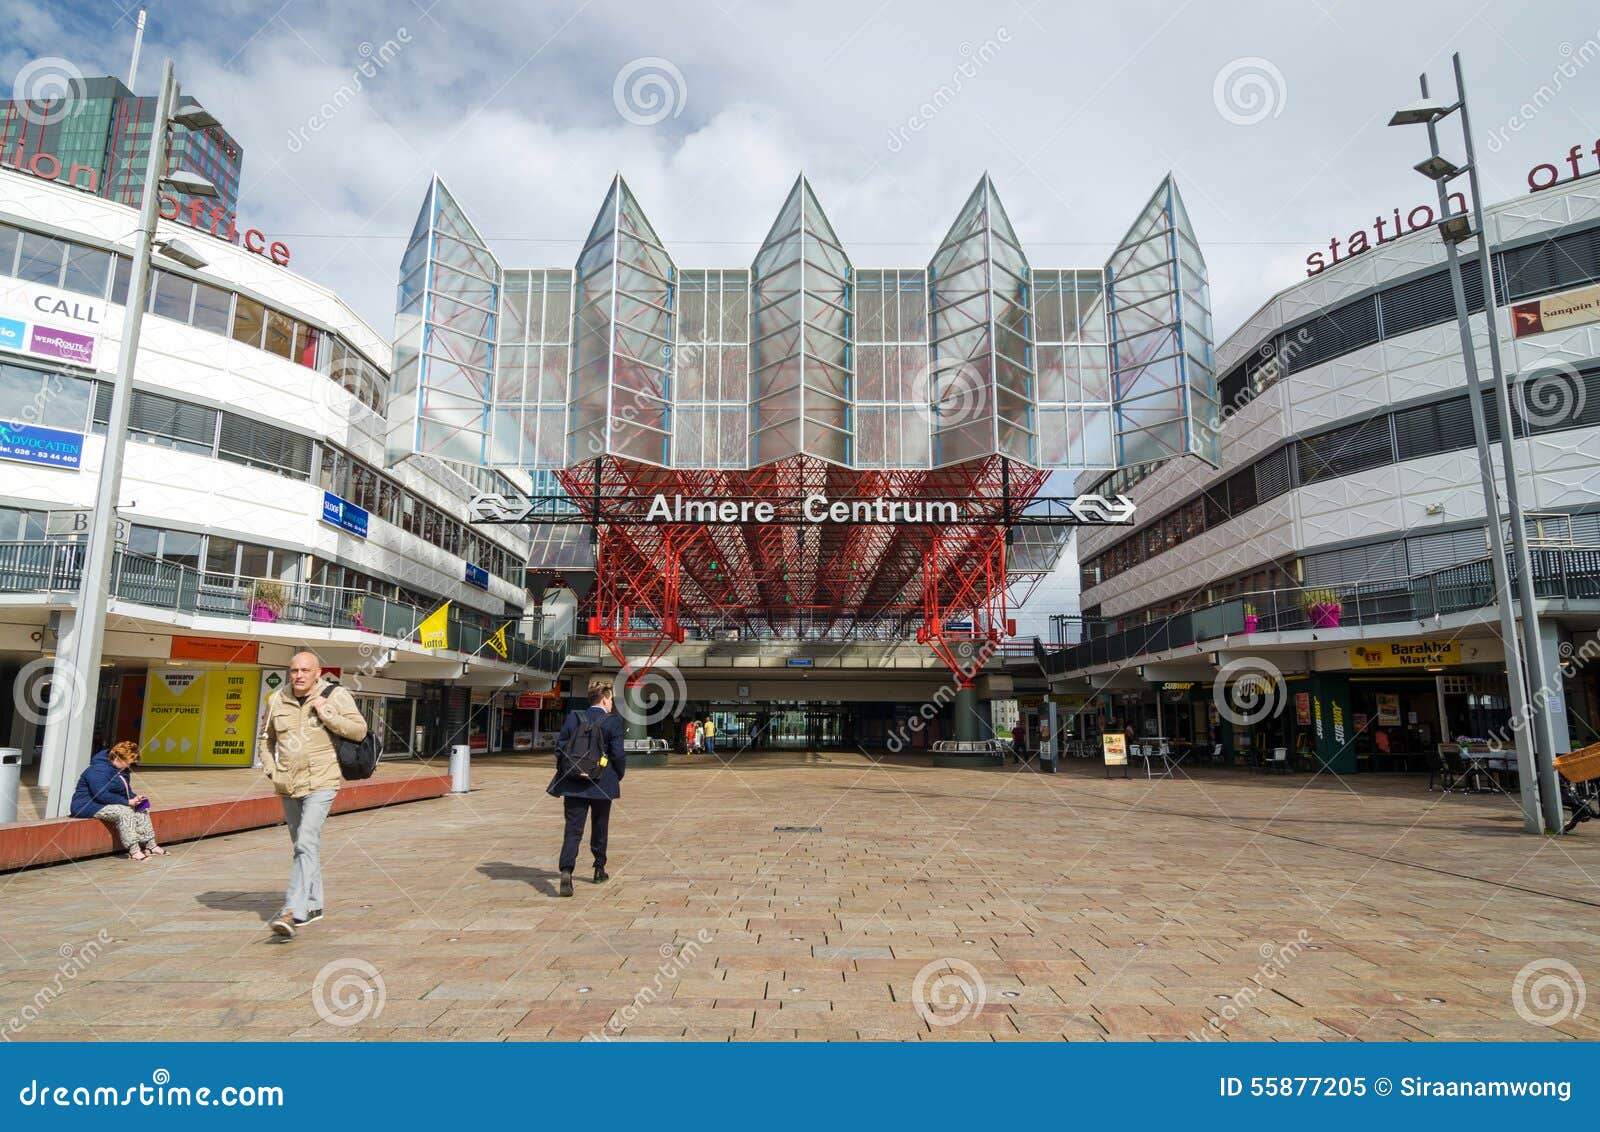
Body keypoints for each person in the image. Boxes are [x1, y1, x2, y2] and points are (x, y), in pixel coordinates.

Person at [258, 649, 368, 939]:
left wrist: (326, 711)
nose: (299, 676)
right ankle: (315, 904)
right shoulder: (277, 699)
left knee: (305, 841)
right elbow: (266, 740)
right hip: (287, 784)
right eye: (294, 671)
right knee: (304, 845)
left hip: (322, 782)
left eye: (305, 670)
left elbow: (359, 731)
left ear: (318, 673)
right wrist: (271, 770)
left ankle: (292, 911)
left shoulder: (336, 695)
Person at [548, 675, 626, 896]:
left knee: (573, 829)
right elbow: (618, 754)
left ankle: (566, 870)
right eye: (611, 700)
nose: (611, 704)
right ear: (605, 698)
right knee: (600, 826)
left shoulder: (574, 717)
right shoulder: (612, 721)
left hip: (573, 783)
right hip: (603, 782)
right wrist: (616, 775)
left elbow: (560, 748)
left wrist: (570, 770)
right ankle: (599, 868)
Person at [71, 741, 165, 861]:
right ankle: (134, 850)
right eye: (127, 762)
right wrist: (127, 802)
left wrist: (135, 798)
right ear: (116, 757)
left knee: (141, 807)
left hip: (105, 803)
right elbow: (101, 794)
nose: (128, 766)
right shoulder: (98, 770)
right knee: (124, 811)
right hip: (87, 805)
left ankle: (150, 845)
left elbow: (125, 791)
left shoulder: (121, 770)